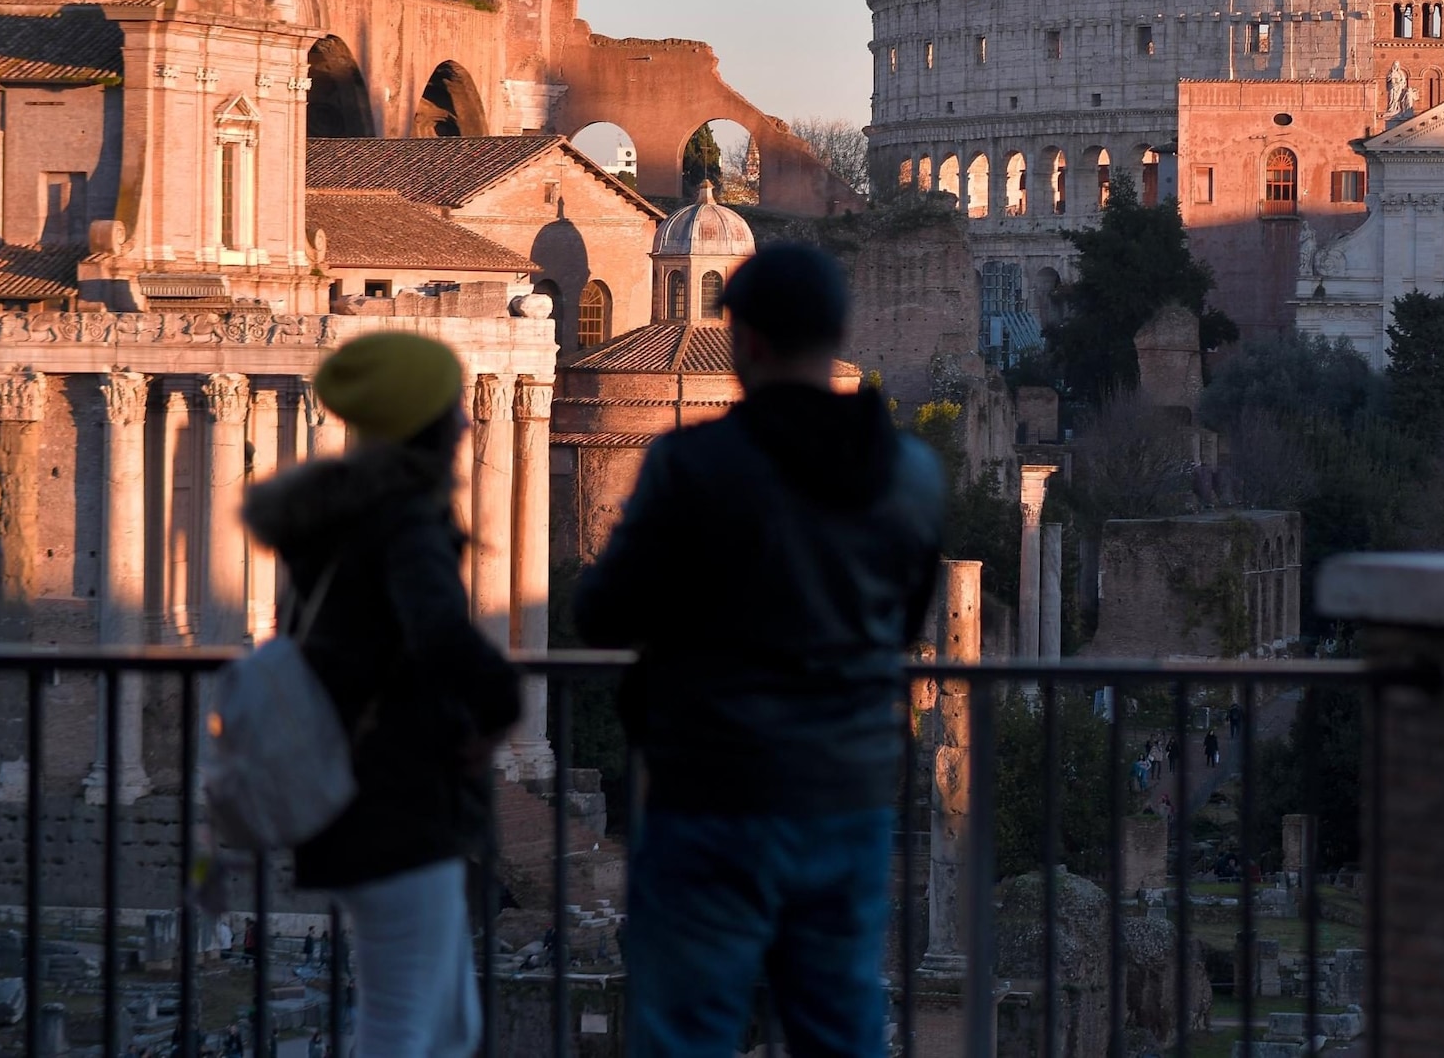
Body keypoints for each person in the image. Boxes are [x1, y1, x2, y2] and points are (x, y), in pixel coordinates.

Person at [576, 243, 946, 1058]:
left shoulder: (691, 465)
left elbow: (605, 614)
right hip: (847, 785)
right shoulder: (910, 473)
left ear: (742, 340)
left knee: (687, 1029)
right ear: (838, 331)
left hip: (712, 783)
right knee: (841, 1025)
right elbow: (910, 614)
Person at [243, 332, 522, 1058]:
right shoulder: (401, 522)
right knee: (402, 1025)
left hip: (360, 790)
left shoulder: (336, 522)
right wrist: (502, 707)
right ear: (420, 423)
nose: (467, 422)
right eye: (452, 408)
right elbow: (438, 634)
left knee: (449, 1023)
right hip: (395, 795)